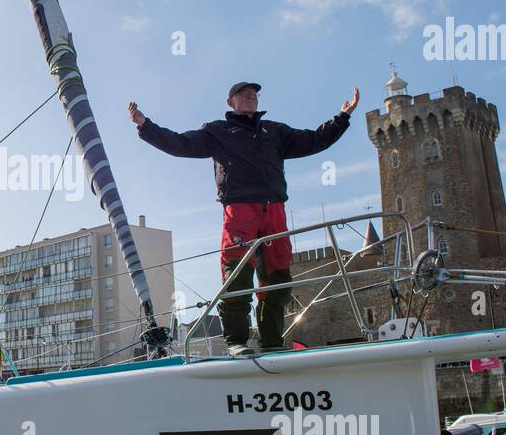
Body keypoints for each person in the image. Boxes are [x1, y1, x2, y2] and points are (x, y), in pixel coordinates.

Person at [130, 81, 358, 353]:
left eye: (254, 94)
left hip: (274, 209)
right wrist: (145, 125)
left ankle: (272, 342)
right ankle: (236, 341)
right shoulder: (217, 131)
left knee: (279, 279)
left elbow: (312, 140)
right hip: (239, 210)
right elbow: (180, 144)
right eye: (244, 94)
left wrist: (341, 118)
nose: (250, 97)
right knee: (237, 275)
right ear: (231, 102)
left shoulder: (274, 131)